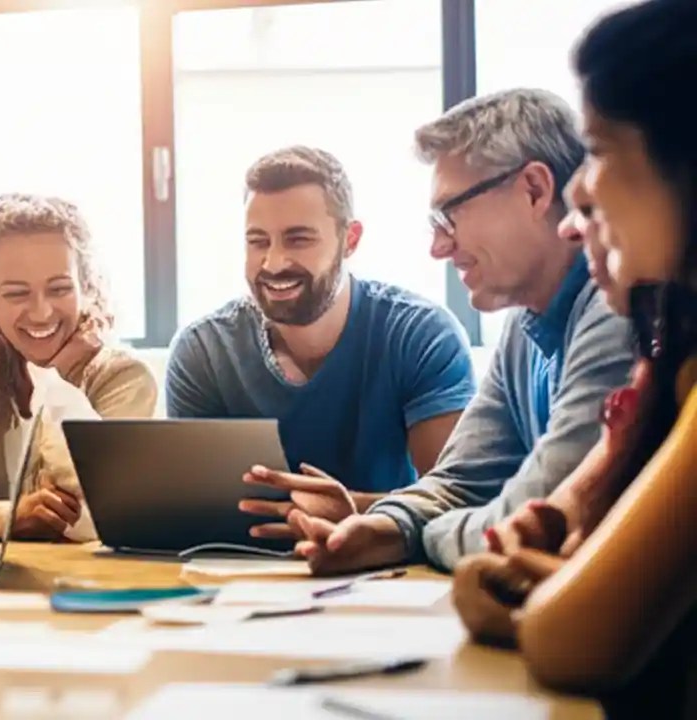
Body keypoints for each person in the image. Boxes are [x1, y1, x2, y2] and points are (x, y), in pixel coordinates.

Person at [273, 90, 635, 574]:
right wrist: (380, 528)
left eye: (451, 214)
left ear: (533, 189)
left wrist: (416, 534)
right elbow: (459, 482)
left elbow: (528, 518)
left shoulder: (617, 311)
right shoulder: (523, 327)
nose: (439, 248)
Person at [453, 3, 697, 715]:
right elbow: (544, 523)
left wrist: (527, 595)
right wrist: (544, 558)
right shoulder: (666, 371)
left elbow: (571, 641)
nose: (578, 195)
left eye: (599, 149)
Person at [167, 146, 475, 536]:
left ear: (350, 240)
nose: (274, 263)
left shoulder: (421, 335)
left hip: (388, 570)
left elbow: (457, 499)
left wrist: (351, 510)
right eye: (258, 241)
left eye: (298, 240)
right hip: (242, 572)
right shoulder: (204, 352)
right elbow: (190, 507)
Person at [0, 193, 157, 540]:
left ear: (84, 288)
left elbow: (95, 512)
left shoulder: (124, 379)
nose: (41, 312)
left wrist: (55, 380)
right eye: (16, 294)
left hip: (84, 579)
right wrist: (9, 517)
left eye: (59, 289)